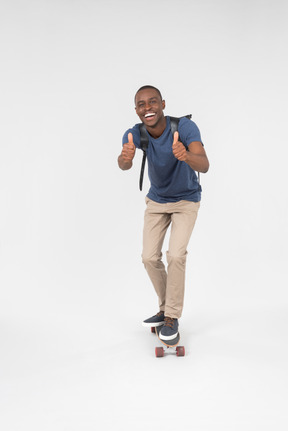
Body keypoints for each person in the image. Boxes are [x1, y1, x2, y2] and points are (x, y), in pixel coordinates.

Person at [118, 85, 209, 341]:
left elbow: (205, 164)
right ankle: (164, 307)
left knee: (176, 255)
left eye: (153, 102)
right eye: (141, 104)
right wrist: (125, 158)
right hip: (157, 201)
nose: (148, 108)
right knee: (148, 258)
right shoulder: (134, 134)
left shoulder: (184, 128)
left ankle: (171, 316)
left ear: (163, 104)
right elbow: (124, 164)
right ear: (136, 110)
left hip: (186, 200)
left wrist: (187, 156)